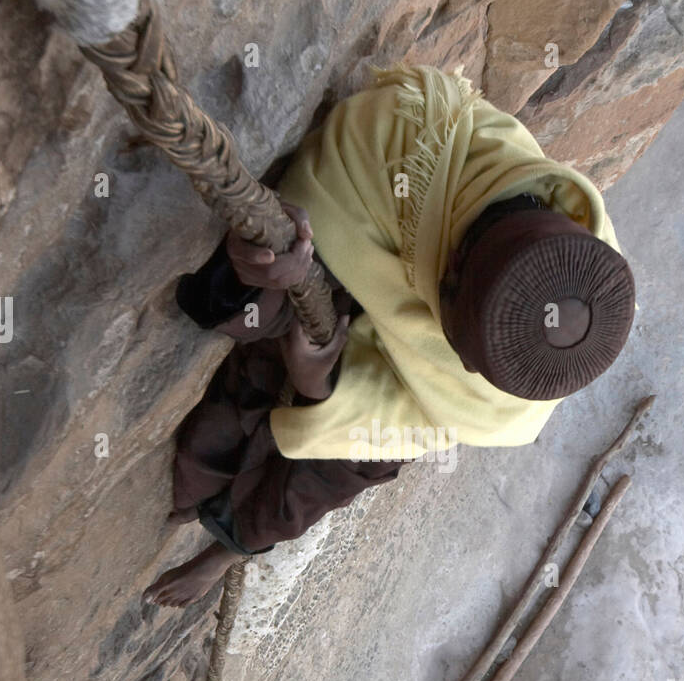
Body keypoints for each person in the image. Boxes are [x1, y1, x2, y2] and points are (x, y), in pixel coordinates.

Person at [145, 64, 635, 608]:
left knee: (348, 467)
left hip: (407, 375)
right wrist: (266, 257)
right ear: (446, 279)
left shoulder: (507, 392)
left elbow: (412, 419)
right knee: (247, 328)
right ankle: (218, 494)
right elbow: (318, 199)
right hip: (349, 278)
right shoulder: (414, 140)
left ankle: (233, 545)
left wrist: (318, 386)